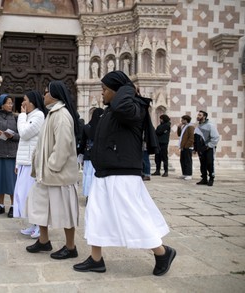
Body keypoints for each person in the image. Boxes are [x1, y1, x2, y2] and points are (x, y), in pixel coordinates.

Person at [74, 71, 175, 276]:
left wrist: (127, 87)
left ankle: (162, 252)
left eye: (105, 90)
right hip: (105, 172)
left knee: (131, 216)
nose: (101, 94)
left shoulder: (132, 108)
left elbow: (122, 106)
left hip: (122, 174)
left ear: (118, 91)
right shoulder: (112, 111)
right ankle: (96, 259)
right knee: (96, 215)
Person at [25, 80, 80, 261]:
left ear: (55, 94)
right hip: (45, 173)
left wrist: (52, 165)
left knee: (66, 212)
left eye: (46, 92)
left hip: (58, 174)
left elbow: (63, 145)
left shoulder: (62, 115)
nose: (44, 95)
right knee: (38, 205)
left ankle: (70, 247)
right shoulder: (51, 114)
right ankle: (43, 240)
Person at [14, 91, 47, 239]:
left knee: (32, 196)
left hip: (31, 162)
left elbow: (24, 134)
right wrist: (17, 162)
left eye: (25, 100)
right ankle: (33, 224)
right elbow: (23, 142)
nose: (23, 103)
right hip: (25, 161)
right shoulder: (30, 116)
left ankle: (40, 227)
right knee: (24, 195)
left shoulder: (39, 116)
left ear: (32, 102)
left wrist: (21, 116)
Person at [78, 107, 104, 199]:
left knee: (88, 176)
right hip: (100, 156)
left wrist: (80, 153)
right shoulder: (103, 128)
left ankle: (88, 194)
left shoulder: (86, 127)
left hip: (88, 155)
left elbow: (83, 143)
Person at [194, 110, 220, 186]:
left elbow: (216, 137)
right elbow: (196, 137)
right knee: (202, 164)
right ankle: (204, 178)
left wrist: (209, 145)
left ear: (204, 116)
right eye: (198, 115)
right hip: (201, 149)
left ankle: (211, 178)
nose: (198, 116)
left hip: (209, 148)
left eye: (200, 115)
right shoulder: (197, 126)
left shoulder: (210, 125)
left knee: (209, 163)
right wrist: (195, 148)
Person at [177, 115, 194, 181]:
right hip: (183, 147)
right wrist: (179, 127)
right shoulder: (184, 126)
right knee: (182, 160)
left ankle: (189, 174)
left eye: (182, 120)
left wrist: (187, 145)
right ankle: (184, 173)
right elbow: (179, 134)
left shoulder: (190, 127)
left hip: (187, 147)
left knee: (188, 161)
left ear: (186, 120)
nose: (181, 121)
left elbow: (191, 137)